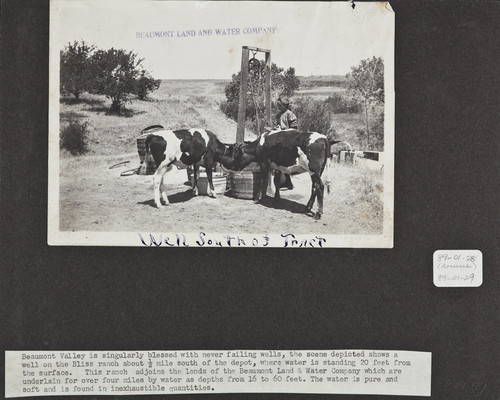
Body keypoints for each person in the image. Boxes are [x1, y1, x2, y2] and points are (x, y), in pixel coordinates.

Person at [275, 97, 297, 189]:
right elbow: (278, 125)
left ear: (285, 105)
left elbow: (294, 129)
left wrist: (284, 131)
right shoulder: (279, 115)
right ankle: (286, 182)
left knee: (285, 161)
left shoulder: (290, 114)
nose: (278, 107)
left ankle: (288, 182)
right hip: (280, 140)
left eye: (280, 105)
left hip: (289, 140)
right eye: (278, 105)